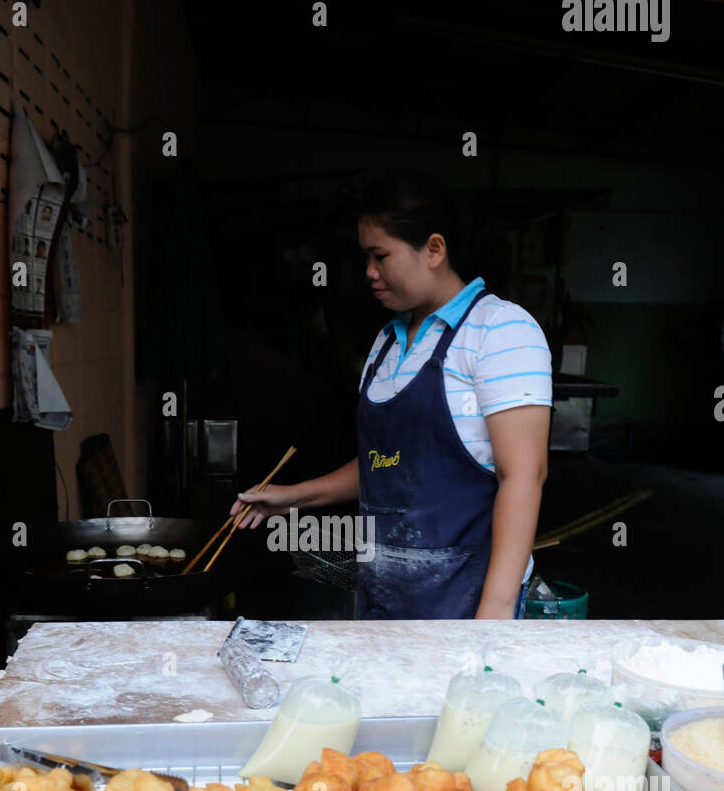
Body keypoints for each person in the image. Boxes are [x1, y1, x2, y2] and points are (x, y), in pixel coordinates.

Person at [231, 171, 552, 619]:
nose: (369, 272)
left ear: (434, 249)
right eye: (365, 256)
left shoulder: (501, 330)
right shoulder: (386, 341)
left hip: (464, 604)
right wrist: (292, 496)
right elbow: (388, 467)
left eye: (380, 256)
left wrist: (493, 619)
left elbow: (523, 477)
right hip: (382, 595)